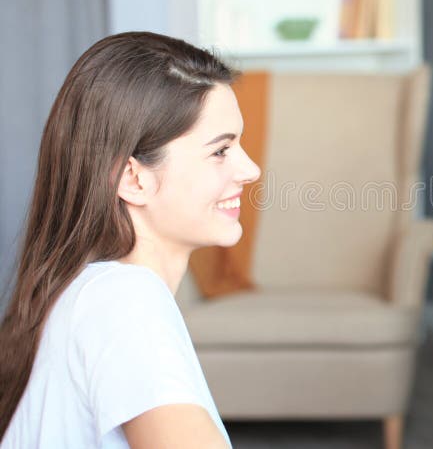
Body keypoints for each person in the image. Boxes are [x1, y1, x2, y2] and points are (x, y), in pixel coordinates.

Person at [0, 31, 261, 448]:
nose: (250, 170)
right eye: (220, 151)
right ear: (132, 179)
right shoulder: (123, 301)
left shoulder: (95, 293)